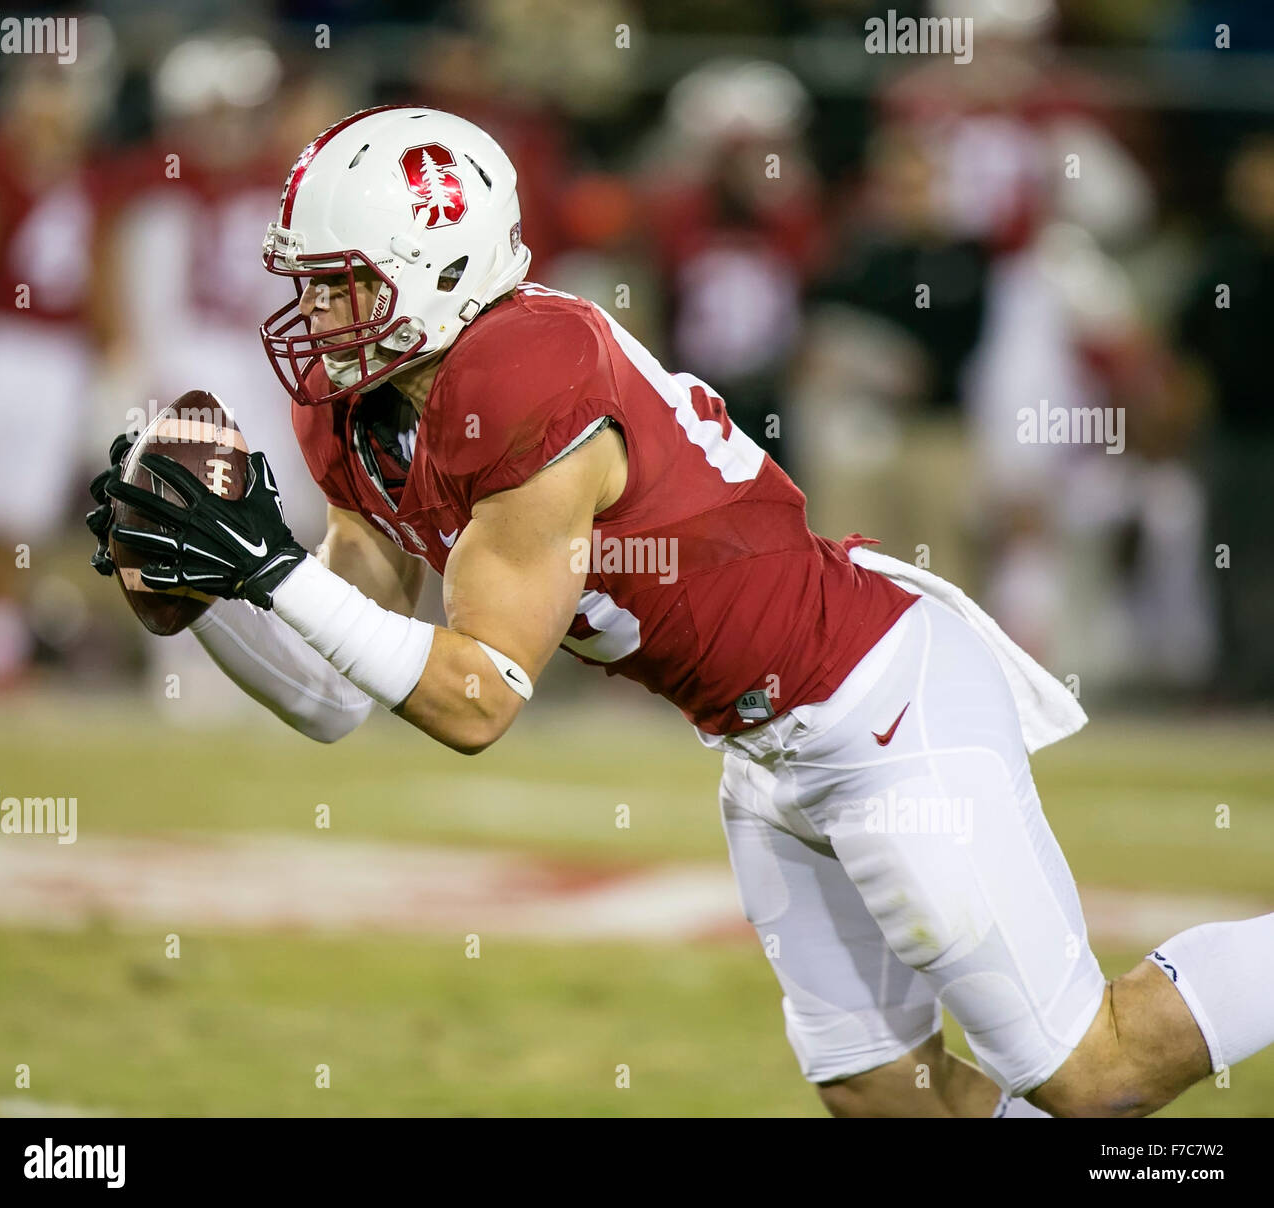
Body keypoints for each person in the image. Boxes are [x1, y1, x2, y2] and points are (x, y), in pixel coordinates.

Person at [85, 106, 1273, 1118]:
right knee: (879, 1092)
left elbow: (474, 698)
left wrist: (267, 571)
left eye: (345, 286)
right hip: (763, 745)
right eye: (308, 286)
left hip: (875, 703)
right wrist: (225, 594)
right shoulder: (366, 407)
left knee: (1090, 1075)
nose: (319, 319)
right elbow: (335, 694)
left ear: (440, 266)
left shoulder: (525, 373)